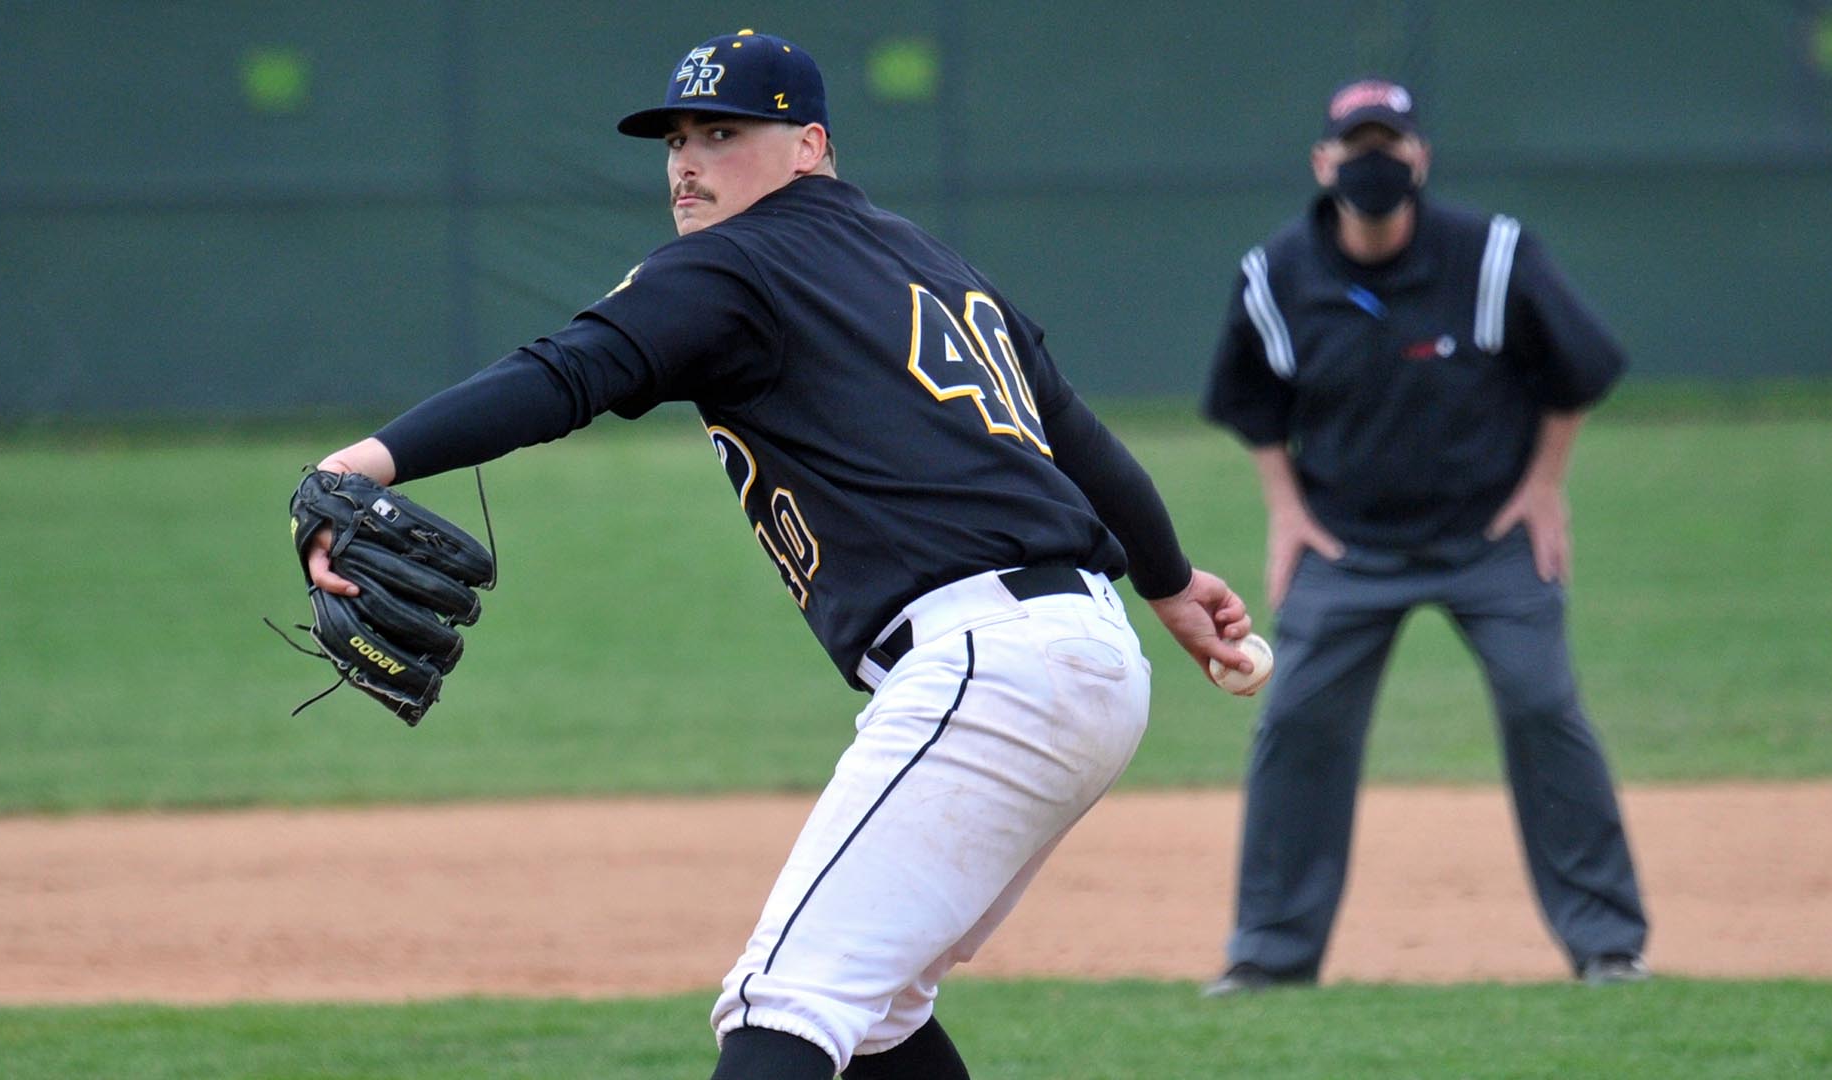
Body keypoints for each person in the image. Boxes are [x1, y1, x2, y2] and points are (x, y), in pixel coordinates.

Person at [302, 29, 1254, 1079]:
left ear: (809, 146)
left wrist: (366, 463)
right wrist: (1167, 581)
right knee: (879, 1017)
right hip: (1077, 655)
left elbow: (569, 370)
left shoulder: (733, 263)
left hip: (989, 667)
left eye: (723, 134)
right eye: (676, 139)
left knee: (781, 1007)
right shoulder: (926, 261)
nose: (687, 163)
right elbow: (1075, 438)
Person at [1199, 78, 1650, 995]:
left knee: (1542, 705)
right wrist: (1286, 510)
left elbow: (1578, 370)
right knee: (1296, 722)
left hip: (1488, 535)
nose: (1374, 164)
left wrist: (1544, 486)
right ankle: (1270, 956)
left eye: (1390, 146)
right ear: (1323, 163)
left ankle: (1608, 946)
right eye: (1355, 148)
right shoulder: (1276, 276)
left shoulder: (1492, 256)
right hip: (1346, 545)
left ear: (1420, 159)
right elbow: (1252, 404)